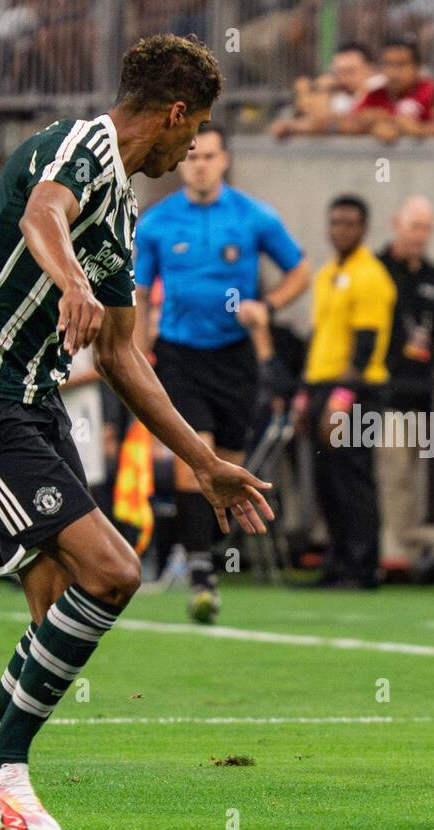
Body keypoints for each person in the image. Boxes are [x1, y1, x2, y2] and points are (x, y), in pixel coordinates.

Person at [0, 34, 273, 830]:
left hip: (32, 403)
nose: (194, 148)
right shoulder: (82, 143)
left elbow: (118, 352)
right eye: (198, 128)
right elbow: (45, 211)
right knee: (114, 571)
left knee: (58, 608)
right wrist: (70, 279)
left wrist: (204, 460)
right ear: (176, 113)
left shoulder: (125, 208)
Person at [133, 125, 308, 622]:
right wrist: (142, 352)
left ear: (224, 160)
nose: (200, 164)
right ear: (181, 163)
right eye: (192, 157)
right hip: (180, 356)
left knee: (227, 470)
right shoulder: (157, 224)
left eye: (209, 156)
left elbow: (300, 270)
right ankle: (202, 576)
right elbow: (142, 294)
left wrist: (267, 306)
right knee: (196, 459)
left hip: (234, 359)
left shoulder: (253, 216)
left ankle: (204, 554)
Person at [298, 195, 395, 589]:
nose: (342, 230)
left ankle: (363, 566)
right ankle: (337, 562)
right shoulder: (325, 274)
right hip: (323, 385)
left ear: (364, 228)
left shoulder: (370, 274)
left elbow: (367, 343)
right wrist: (306, 394)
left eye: (350, 223)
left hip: (356, 391)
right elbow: (319, 337)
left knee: (354, 480)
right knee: (327, 482)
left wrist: (342, 396)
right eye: (335, 222)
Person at [376, 196, 434, 568]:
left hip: (421, 394)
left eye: (426, 228)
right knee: (394, 475)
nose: (420, 235)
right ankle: (397, 550)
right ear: (397, 223)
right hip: (380, 392)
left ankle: (407, 547)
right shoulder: (375, 270)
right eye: (414, 226)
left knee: (412, 477)